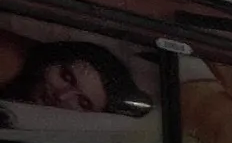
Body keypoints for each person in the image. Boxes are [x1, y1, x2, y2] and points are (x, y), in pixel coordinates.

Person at [0, 32, 151, 118]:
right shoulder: (10, 59)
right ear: (52, 60)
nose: (61, 96)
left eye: (83, 103)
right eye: (66, 77)